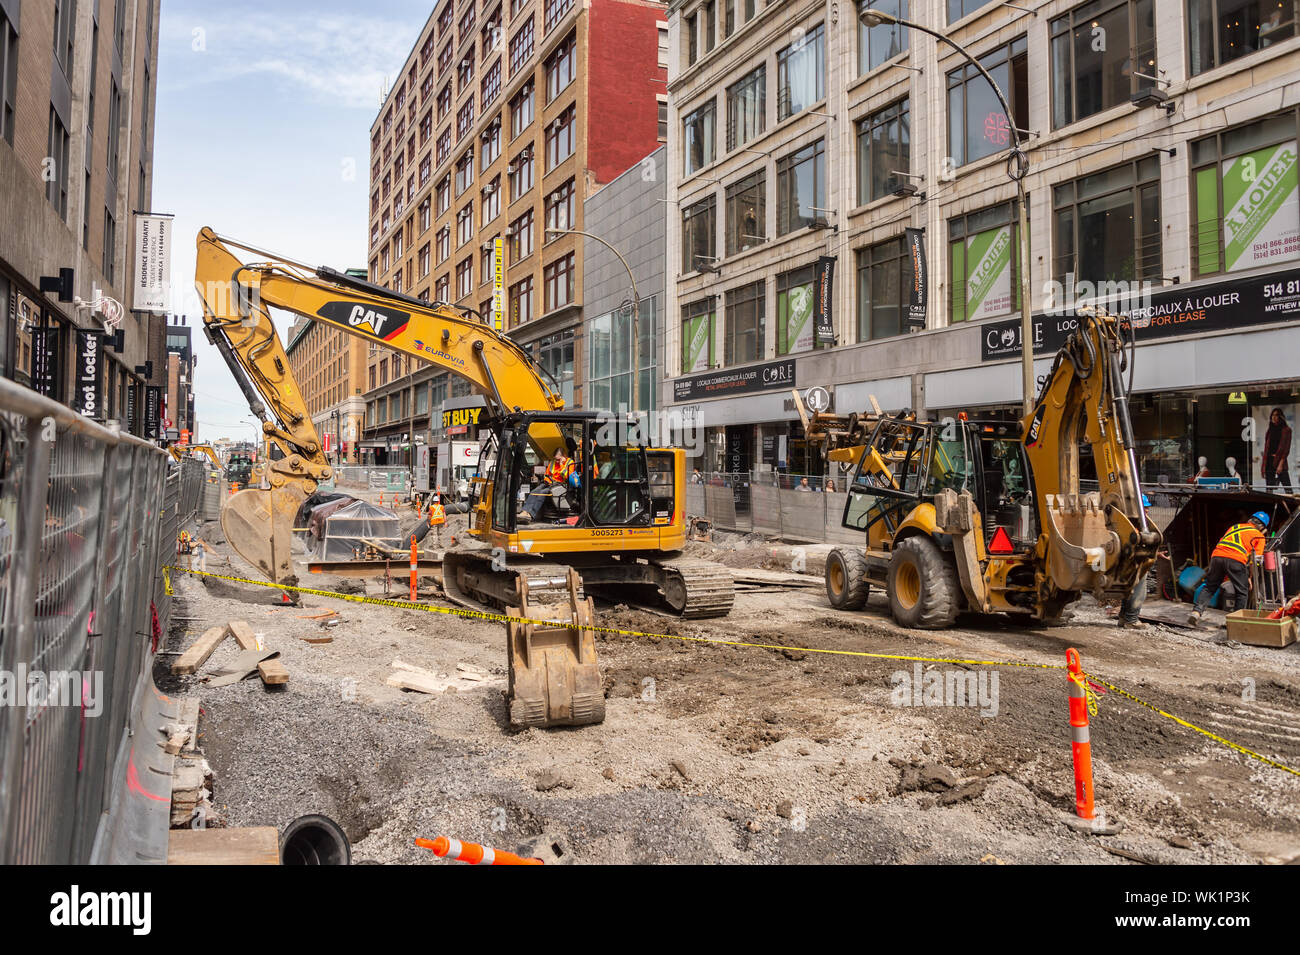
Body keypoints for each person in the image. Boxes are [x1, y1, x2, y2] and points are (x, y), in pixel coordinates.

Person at [1188, 511, 1270, 626]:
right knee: (1242, 592)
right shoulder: (1259, 536)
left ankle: (1196, 612)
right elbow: (1254, 561)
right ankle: (1234, 623)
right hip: (1236, 560)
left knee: (1210, 587)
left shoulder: (1235, 527)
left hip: (1217, 557)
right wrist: (1250, 577)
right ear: (1262, 527)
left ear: (1250, 520)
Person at [520, 445, 575, 522]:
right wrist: (547, 480)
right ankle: (525, 511)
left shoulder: (570, 463)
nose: (557, 461)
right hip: (550, 483)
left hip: (560, 485)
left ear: (563, 457)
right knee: (534, 491)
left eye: (558, 459)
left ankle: (531, 514)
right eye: (556, 459)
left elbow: (567, 477)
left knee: (542, 493)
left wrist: (561, 465)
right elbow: (546, 474)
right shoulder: (552, 463)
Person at [1262, 408, 1292, 489]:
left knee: (1287, 487)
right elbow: (1266, 449)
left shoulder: (1286, 430)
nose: (1274, 417)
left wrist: (1281, 464)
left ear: (1280, 417)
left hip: (1279, 460)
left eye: (1276, 415)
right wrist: (1263, 466)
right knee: (1269, 488)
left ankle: (1292, 501)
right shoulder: (1270, 430)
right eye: (1272, 415)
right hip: (1269, 461)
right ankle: (1270, 502)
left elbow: (1286, 449)